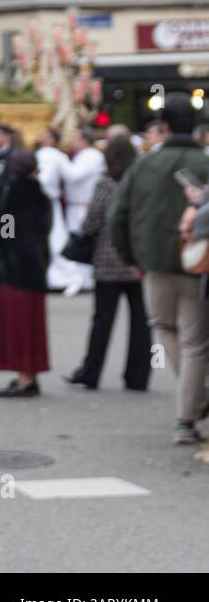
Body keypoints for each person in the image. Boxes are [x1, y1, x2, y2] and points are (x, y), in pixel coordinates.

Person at [109, 92, 209, 445]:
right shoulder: (204, 161)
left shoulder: (144, 163)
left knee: (165, 327)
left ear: (162, 126)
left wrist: (131, 258)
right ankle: (188, 413)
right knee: (197, 341)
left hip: (153, 262)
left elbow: (116, 215)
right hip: (199, 263)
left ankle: (190, 405)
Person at [65, 135, 149, 391]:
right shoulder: (141, 181)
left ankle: (91, 371)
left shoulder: (106, 182)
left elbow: (92, 221)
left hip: (108, 260)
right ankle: (138, 376)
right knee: (140, 321)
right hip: (138, 259)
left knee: (102, 319)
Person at [0, 149, 51, 397]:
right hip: (35, 267)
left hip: (14, 270)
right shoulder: (41, 195)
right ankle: (28, 373)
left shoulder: (11, 193)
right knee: (32, 325)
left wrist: (3, 244)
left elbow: (7, 226)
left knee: (18, 325)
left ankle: (24, 376)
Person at [60, 127, 105, 296]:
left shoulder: (92, 156)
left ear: (85, 140)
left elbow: (74, 175)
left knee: (83, 241)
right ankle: (81, 278)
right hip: (76, 205)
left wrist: (60, 159)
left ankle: (84, 278)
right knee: (76, 240)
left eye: (76, 138)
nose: (72, 141)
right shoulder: (83, 156)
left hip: (84, 206)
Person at [35, 126, 74, 292]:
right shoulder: (45, 154)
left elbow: (47, 178)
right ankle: (53, 276)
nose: (39, 135)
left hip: (48, 202)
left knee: (56, 238)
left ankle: (68, 276)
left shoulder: (51, 155)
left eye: (43, 133)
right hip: (41, 203)